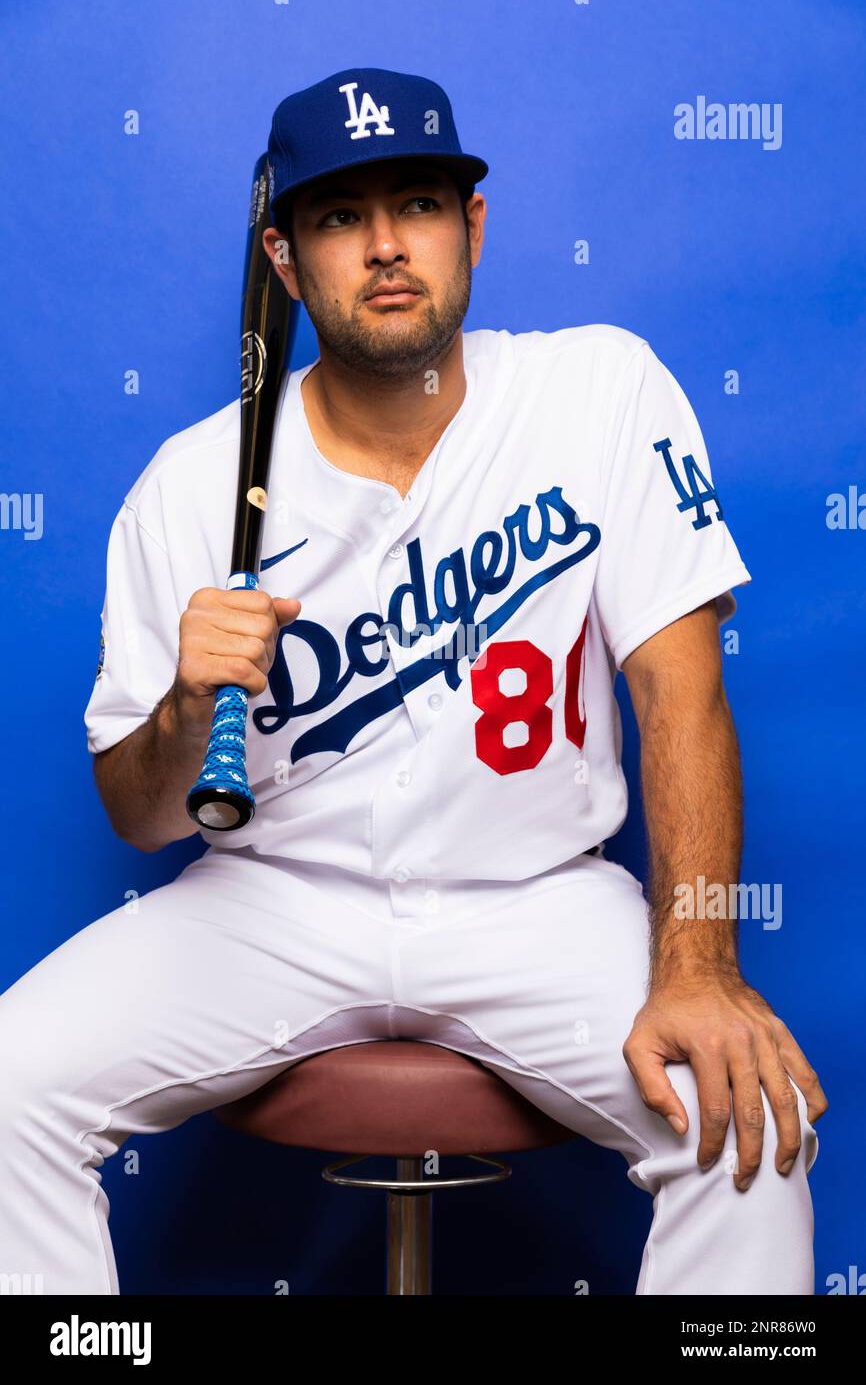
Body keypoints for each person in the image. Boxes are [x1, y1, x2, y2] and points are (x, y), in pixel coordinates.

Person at [0, 67, 826, 1296]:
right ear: (284, 260)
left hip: (536, 896)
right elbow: (139, 814)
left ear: (472, 225)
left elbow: (679, 693)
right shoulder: (191, 482)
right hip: (272, 905)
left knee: (744, 1119)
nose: (386, 246)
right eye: (339, 217)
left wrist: (697, 966)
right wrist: (184, 710)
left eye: (419, 203)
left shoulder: (596, 391)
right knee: (11, 1084)